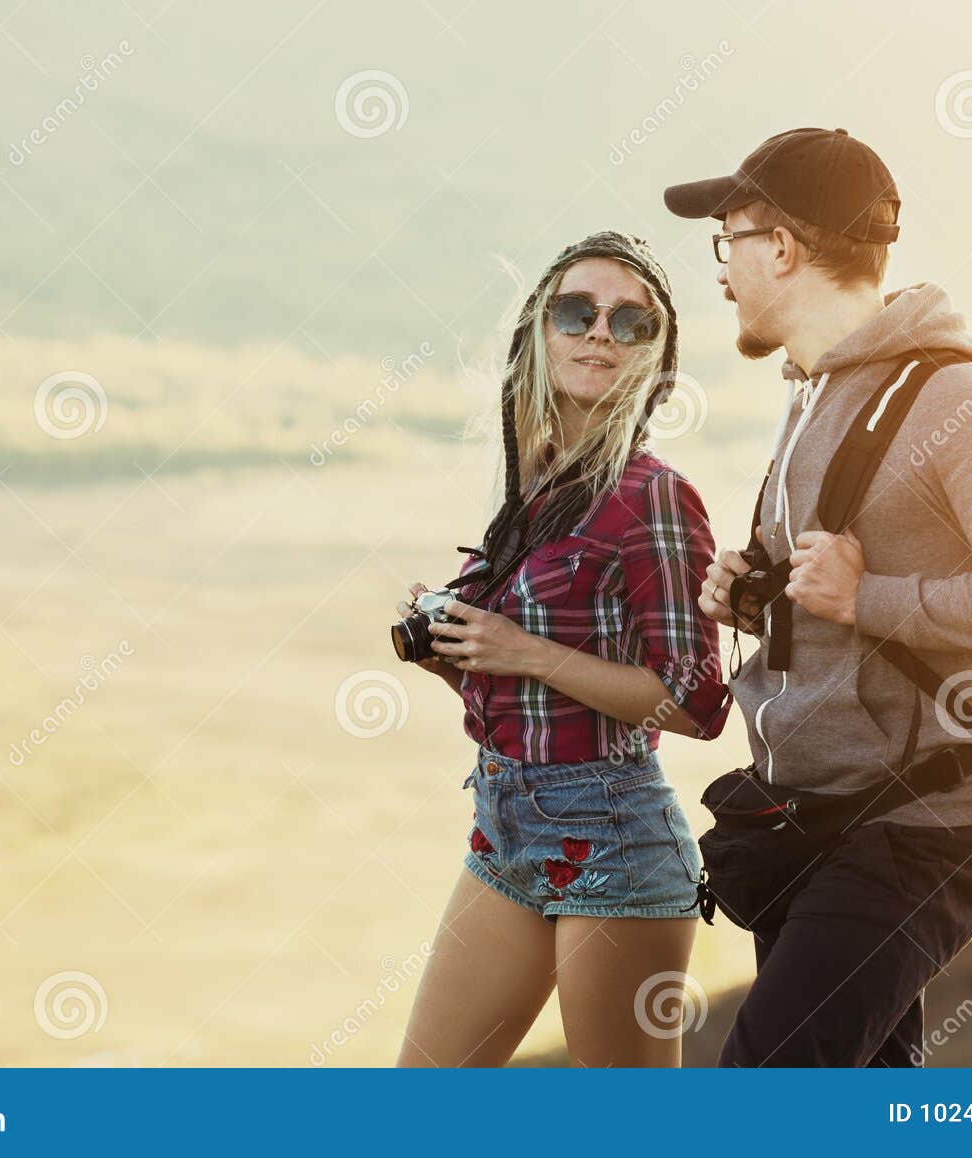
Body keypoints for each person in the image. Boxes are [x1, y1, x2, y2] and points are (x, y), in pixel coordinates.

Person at [663, 128, 972, 1066]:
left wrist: (870, 598)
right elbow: (836, 571)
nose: (722, 270)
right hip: (806, 827)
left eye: (725, 240)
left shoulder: (958, 401)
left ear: (781, 246)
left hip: (907, 840)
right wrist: (757, 595)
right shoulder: (814, 391)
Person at [395, 231, 731, 1067]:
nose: (599, 335)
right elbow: (531, 694)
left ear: (657, 355)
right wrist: (463, 659)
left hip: (614, 837)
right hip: (504, 828)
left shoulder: (654, 497)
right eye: (577, 312)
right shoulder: (536, 482)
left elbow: (697, 704)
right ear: (539, 333)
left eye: (631, 323)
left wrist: (524, 651)